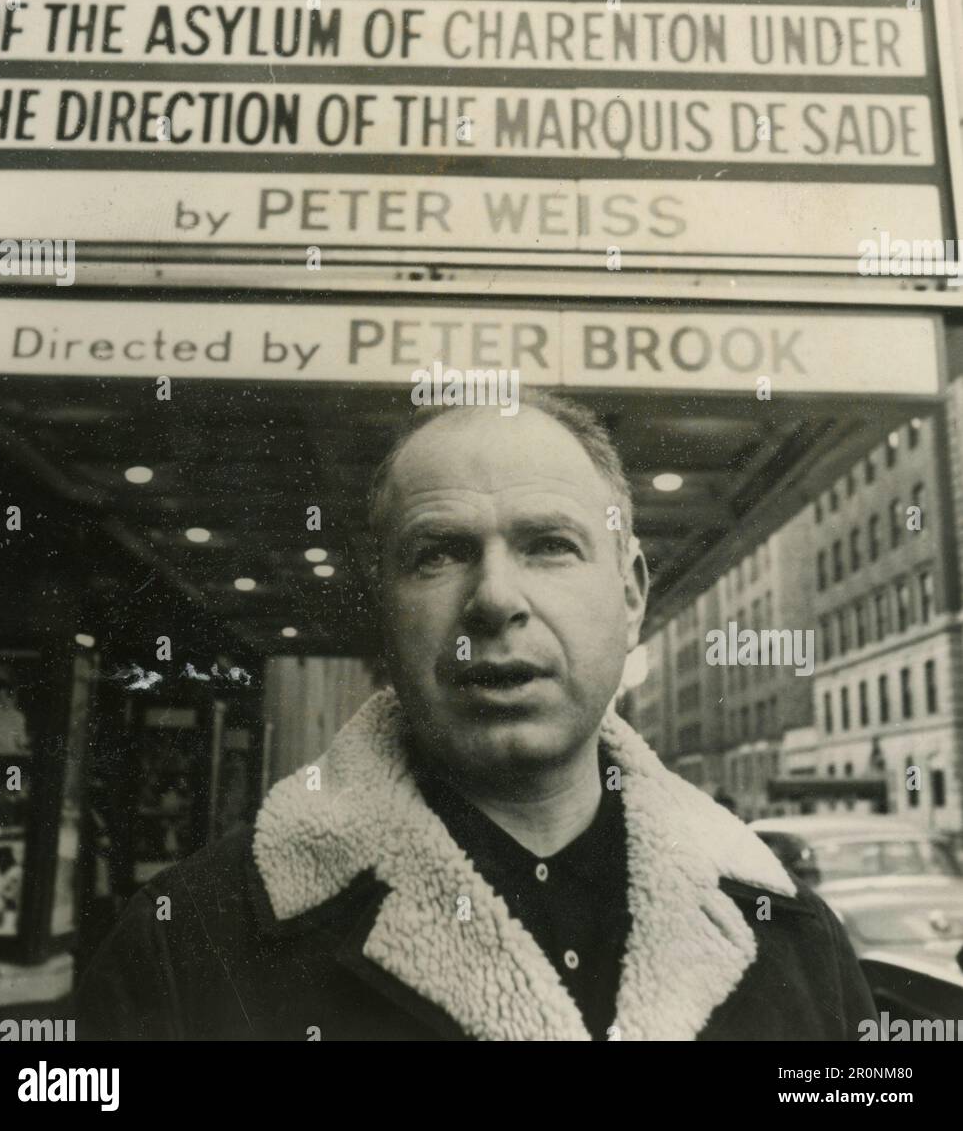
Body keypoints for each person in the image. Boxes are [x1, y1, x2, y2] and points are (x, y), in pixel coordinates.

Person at [77, 393, 876, 1041]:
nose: (495, 598)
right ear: (383, 615)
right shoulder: (188, 945)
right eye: (439, 553)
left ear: (630, 594)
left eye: (549, 546)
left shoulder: (795, 941)